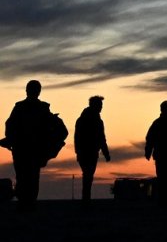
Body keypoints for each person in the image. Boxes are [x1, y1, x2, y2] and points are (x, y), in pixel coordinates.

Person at [4, 80, 66, 212]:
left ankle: (25, 204)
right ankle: (29, 204)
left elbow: (10, 125)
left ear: (27, 91)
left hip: (23, 149)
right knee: (31, 177)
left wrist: (11, 140)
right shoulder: (41, 108)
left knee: (23, 176)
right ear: (38, 92)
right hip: (33, 150)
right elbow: (59, 129)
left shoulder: (20, 107)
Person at [74, 94, 111, 202]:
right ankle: (86, 199)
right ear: (95, 105)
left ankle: (86, 199)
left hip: (85, 152)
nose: (101, 107)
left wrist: (78, 152)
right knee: (88, 175)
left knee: (87, 175)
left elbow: (77, 137)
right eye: (100, 105)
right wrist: (106, 153)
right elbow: (101, 138)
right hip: (89, 152)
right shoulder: (96, 121)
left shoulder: (81, 119)